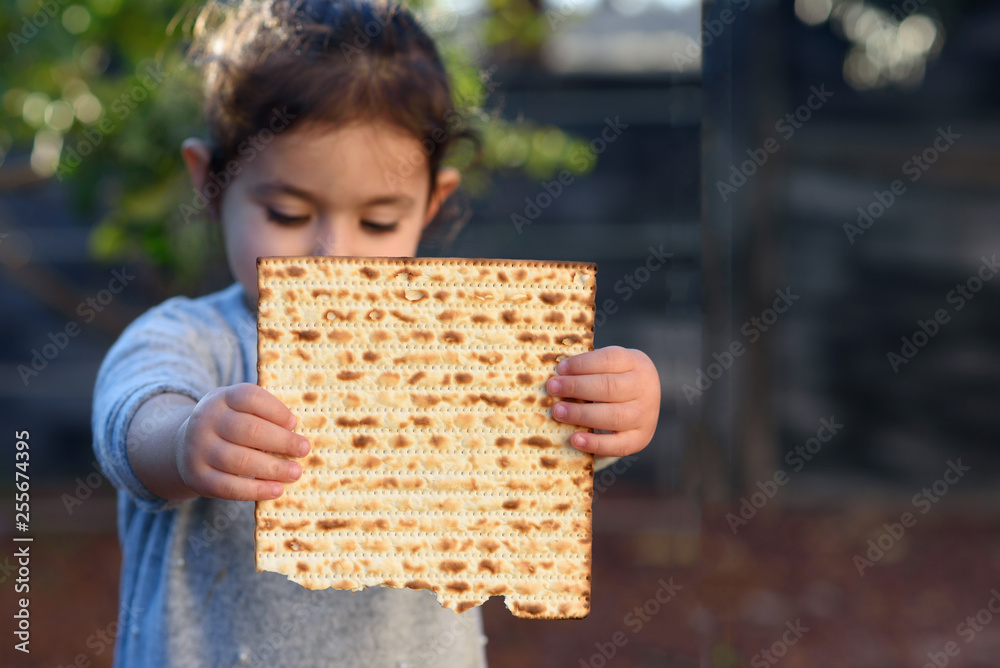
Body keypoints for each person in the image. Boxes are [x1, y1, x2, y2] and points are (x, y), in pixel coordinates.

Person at [91, 1, 662, 665]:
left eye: (380, 223)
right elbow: (131, 421)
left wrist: (620, 402)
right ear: (211, 183)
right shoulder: (191, 338)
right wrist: (186, 439)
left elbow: (553, 431)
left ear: (432, 202)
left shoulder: (457, 349)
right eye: (287, 212)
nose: (335, 254)